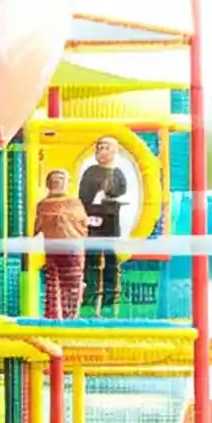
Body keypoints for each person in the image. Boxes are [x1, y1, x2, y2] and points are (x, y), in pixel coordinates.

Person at [77, 136, 128, 315]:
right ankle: (88, 300)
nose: (103, 152)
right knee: (91, 260)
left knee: (111, 261)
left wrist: (108, 188)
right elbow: (83, 194)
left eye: (107, 148)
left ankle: (109, 302)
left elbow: (120, 190)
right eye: (100, 148)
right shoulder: (90, 171)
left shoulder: (118, 173)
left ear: (115, 151)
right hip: (91, 220)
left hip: (110, 222)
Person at [33, 169, 88, 320]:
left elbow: (83, 226)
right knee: (54, 285)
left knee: (72, 286)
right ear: (48, 183)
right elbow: (36, 228)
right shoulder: (42, 205)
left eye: (62, 179)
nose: (58, 182)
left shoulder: (74, 203)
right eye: (55, 179)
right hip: (53, 250)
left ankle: (71, 319)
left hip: (73, 249)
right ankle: (54, 319)